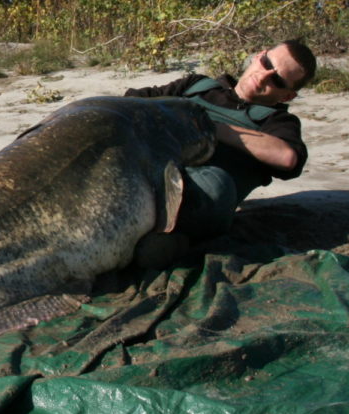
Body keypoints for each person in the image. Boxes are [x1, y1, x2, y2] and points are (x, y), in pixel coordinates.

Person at [125, 40, 317, 267]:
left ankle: (163, 241)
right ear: (259, 56)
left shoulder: (276, 120)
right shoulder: (197, 86)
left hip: (197, 196)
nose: (263, 76)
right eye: (266, 63)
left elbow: (287, 158)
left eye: (276, 80)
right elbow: (131, 101)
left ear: (286, 96)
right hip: (148, 167)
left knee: (217, 185)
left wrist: (208, 126)